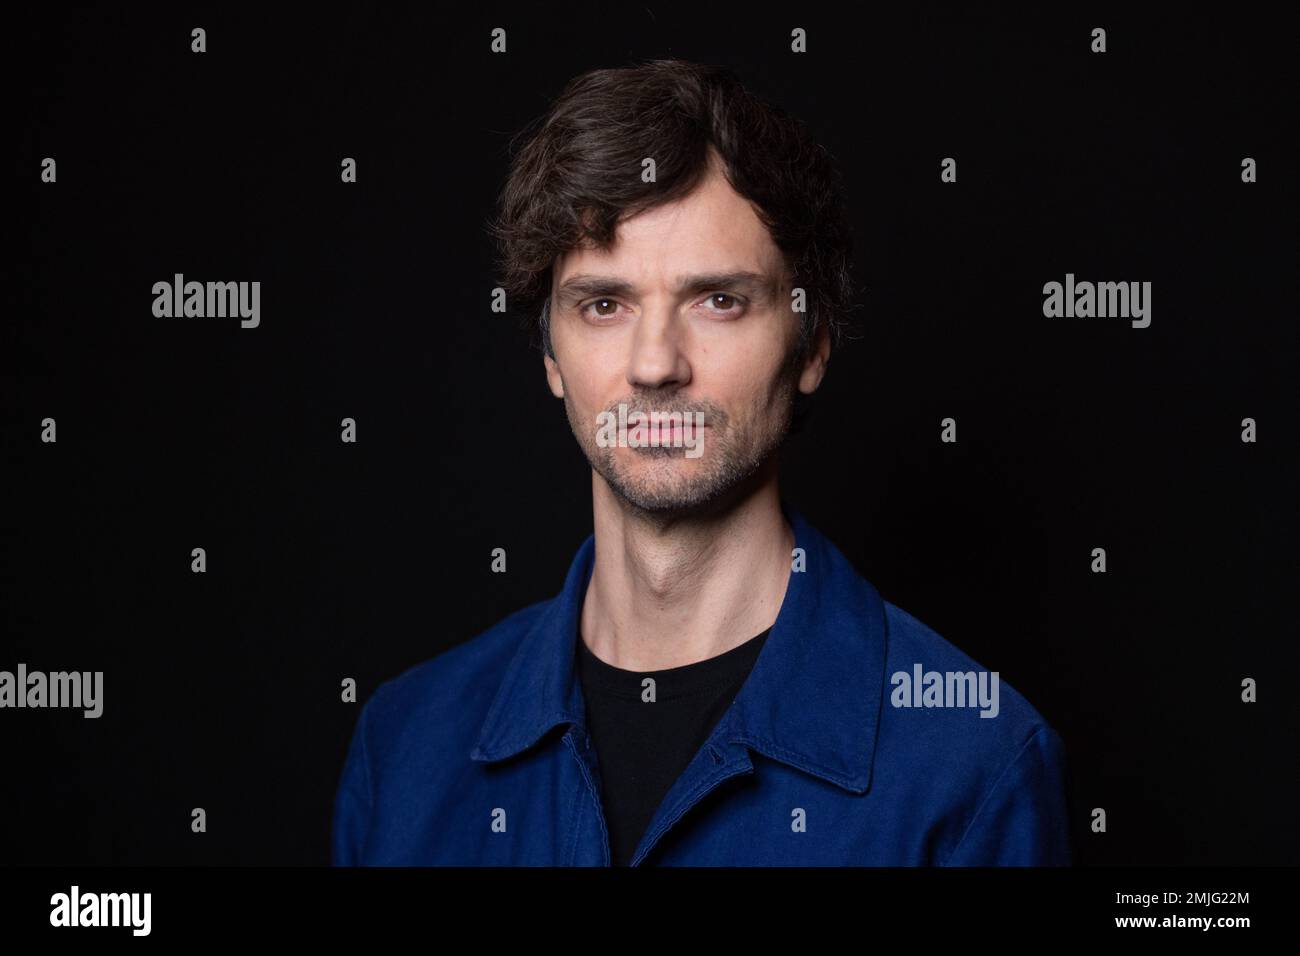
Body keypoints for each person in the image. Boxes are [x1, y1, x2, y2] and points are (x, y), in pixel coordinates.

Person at [331, 58, 1071, 866]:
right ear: (550, 354)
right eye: (604, 305)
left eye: (718, 300)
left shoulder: (971, 765)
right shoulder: (405, 748)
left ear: (811, 343)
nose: (655, 365)